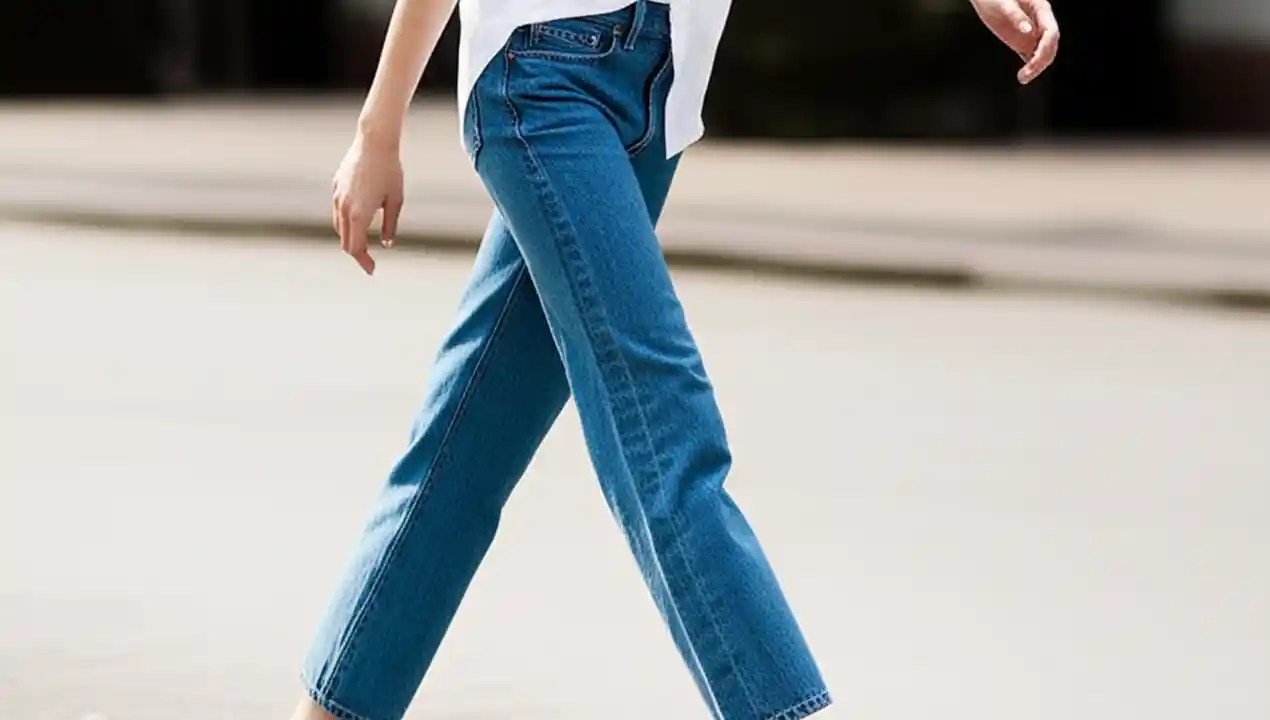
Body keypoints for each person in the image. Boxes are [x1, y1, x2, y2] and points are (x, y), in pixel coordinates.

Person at [294, 0, 1059, 718]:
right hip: (544, 70)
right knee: (667, 433)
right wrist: (378, 129)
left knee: (465, 450)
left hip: (661, 86)